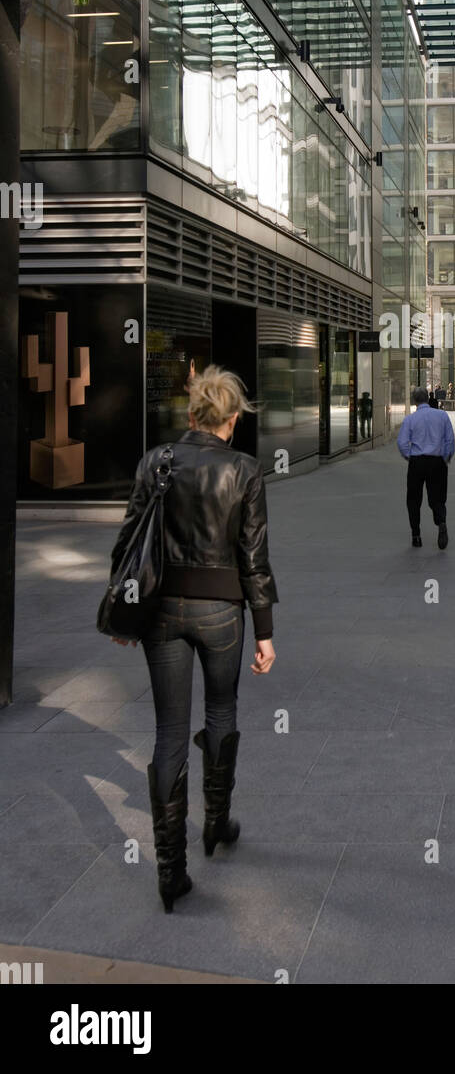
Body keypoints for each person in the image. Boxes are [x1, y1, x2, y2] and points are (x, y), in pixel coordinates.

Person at [109, 365, 277, 914]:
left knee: (168, 734)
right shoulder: (246, 471)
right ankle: (216, 823)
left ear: (191, 416)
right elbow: (255, 562)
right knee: (222, 711)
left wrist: (128, 614)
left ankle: (169, 872)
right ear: (232, 419)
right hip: (224, 614)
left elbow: (128, 543)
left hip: (161, 614)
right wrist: (266, 633)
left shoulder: (155, 461)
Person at [397, 386, 455, 549]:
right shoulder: (442, 415)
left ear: (415, 401)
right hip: (437, 461)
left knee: (414, 499)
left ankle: (416, 535)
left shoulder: (410, 419)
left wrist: (410, 456)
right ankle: (441, 521)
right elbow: (449, 439)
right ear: (428, 399)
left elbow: (402, 442)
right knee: (437, 497)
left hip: (417, 461)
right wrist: (446, 456)